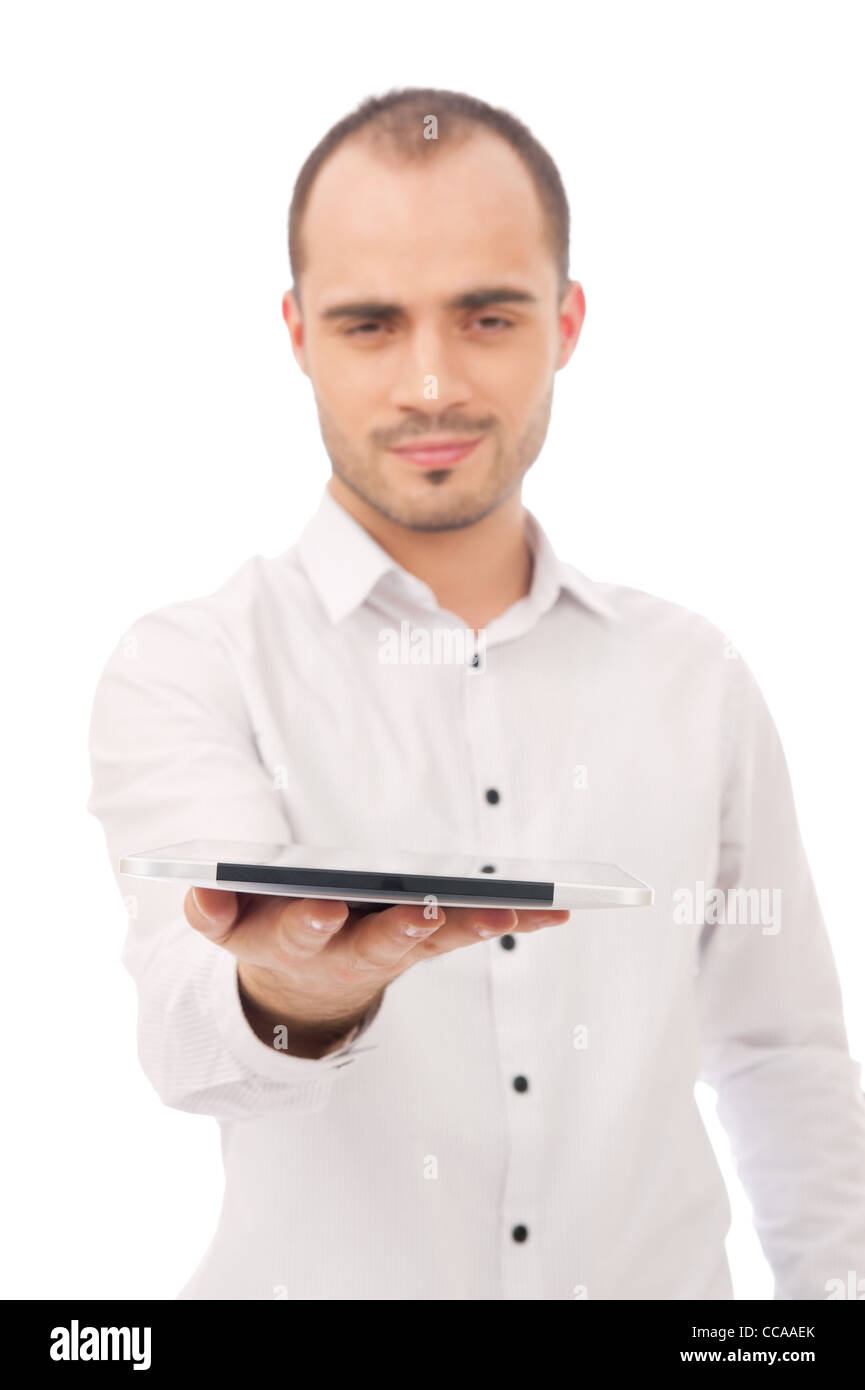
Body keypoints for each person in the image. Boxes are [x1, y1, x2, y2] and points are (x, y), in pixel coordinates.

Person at [87, 86, 865, 1300]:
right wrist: (294, 994)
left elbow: (782, 1054)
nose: (433, 385)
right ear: (296, 333)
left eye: (487, 317)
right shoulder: (191, 663)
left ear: (567, 320)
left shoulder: (693, 676)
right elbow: (189, 1042)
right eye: (371, 325)